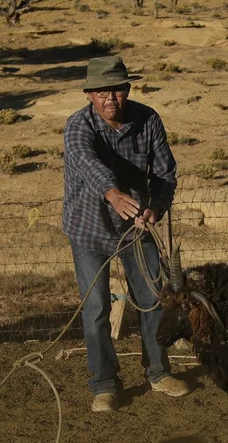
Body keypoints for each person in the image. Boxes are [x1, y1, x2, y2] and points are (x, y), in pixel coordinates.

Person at [62, 55, 190, 412]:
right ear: (89, 94)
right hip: (89, 228)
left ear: (128, 89)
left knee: (151, 299)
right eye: (102, 91)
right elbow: (88, 165)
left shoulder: (148, 120)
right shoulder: (77, 127)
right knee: (97, 308)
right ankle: (104, 384)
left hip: (138, 225)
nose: (111, 99)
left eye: (117, 90)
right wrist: (113, 193)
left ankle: (158, 372)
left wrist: (156, 207)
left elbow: (165, 174)